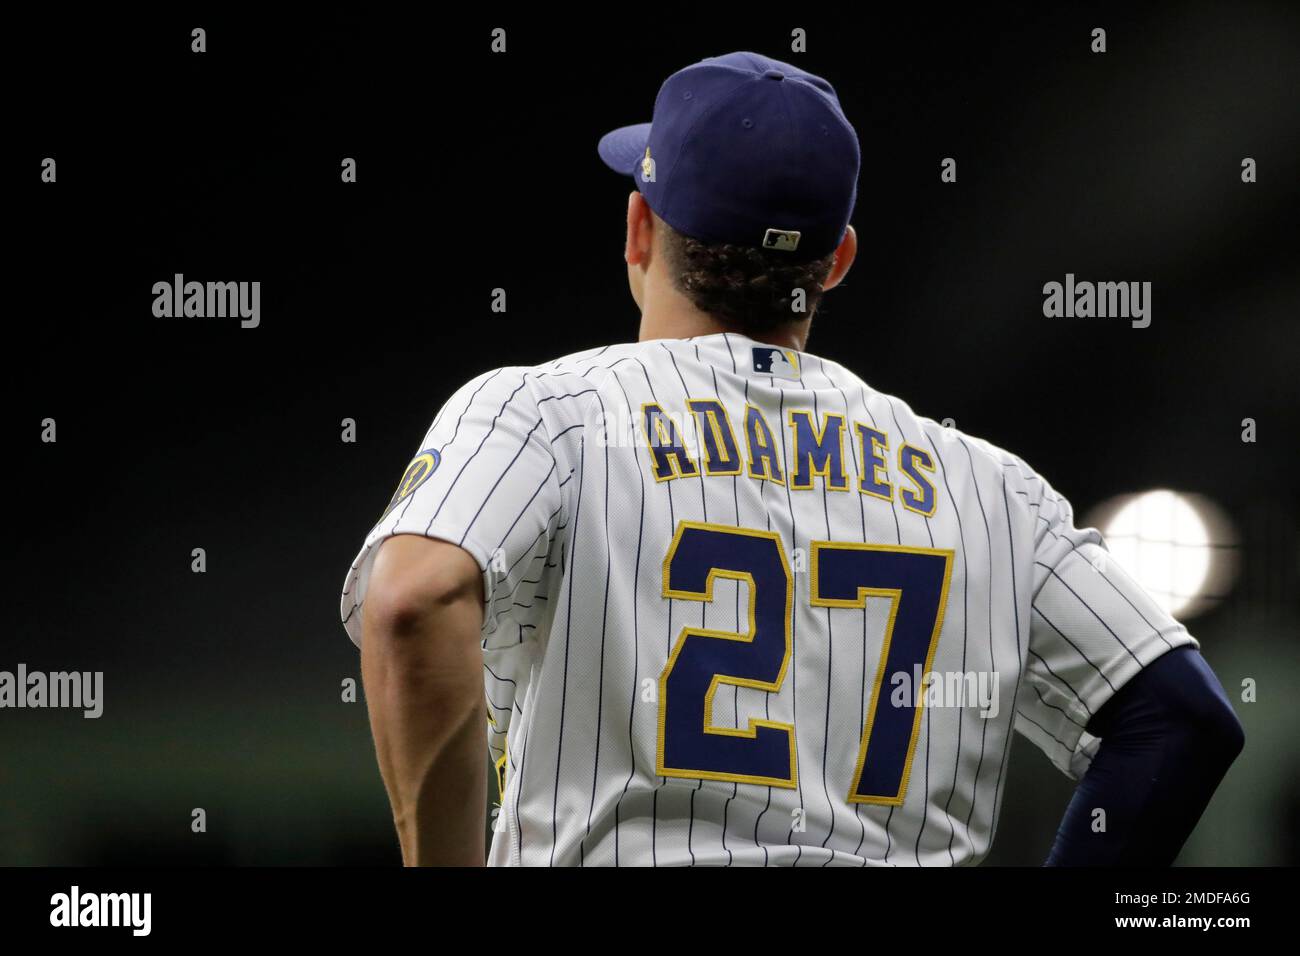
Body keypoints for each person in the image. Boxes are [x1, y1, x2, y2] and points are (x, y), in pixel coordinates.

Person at [339, 51, 1242, 866]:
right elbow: (1182, 718)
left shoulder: (548, 414)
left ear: (640, 230)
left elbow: (413, 597)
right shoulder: (992, 490)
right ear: (838, 260)